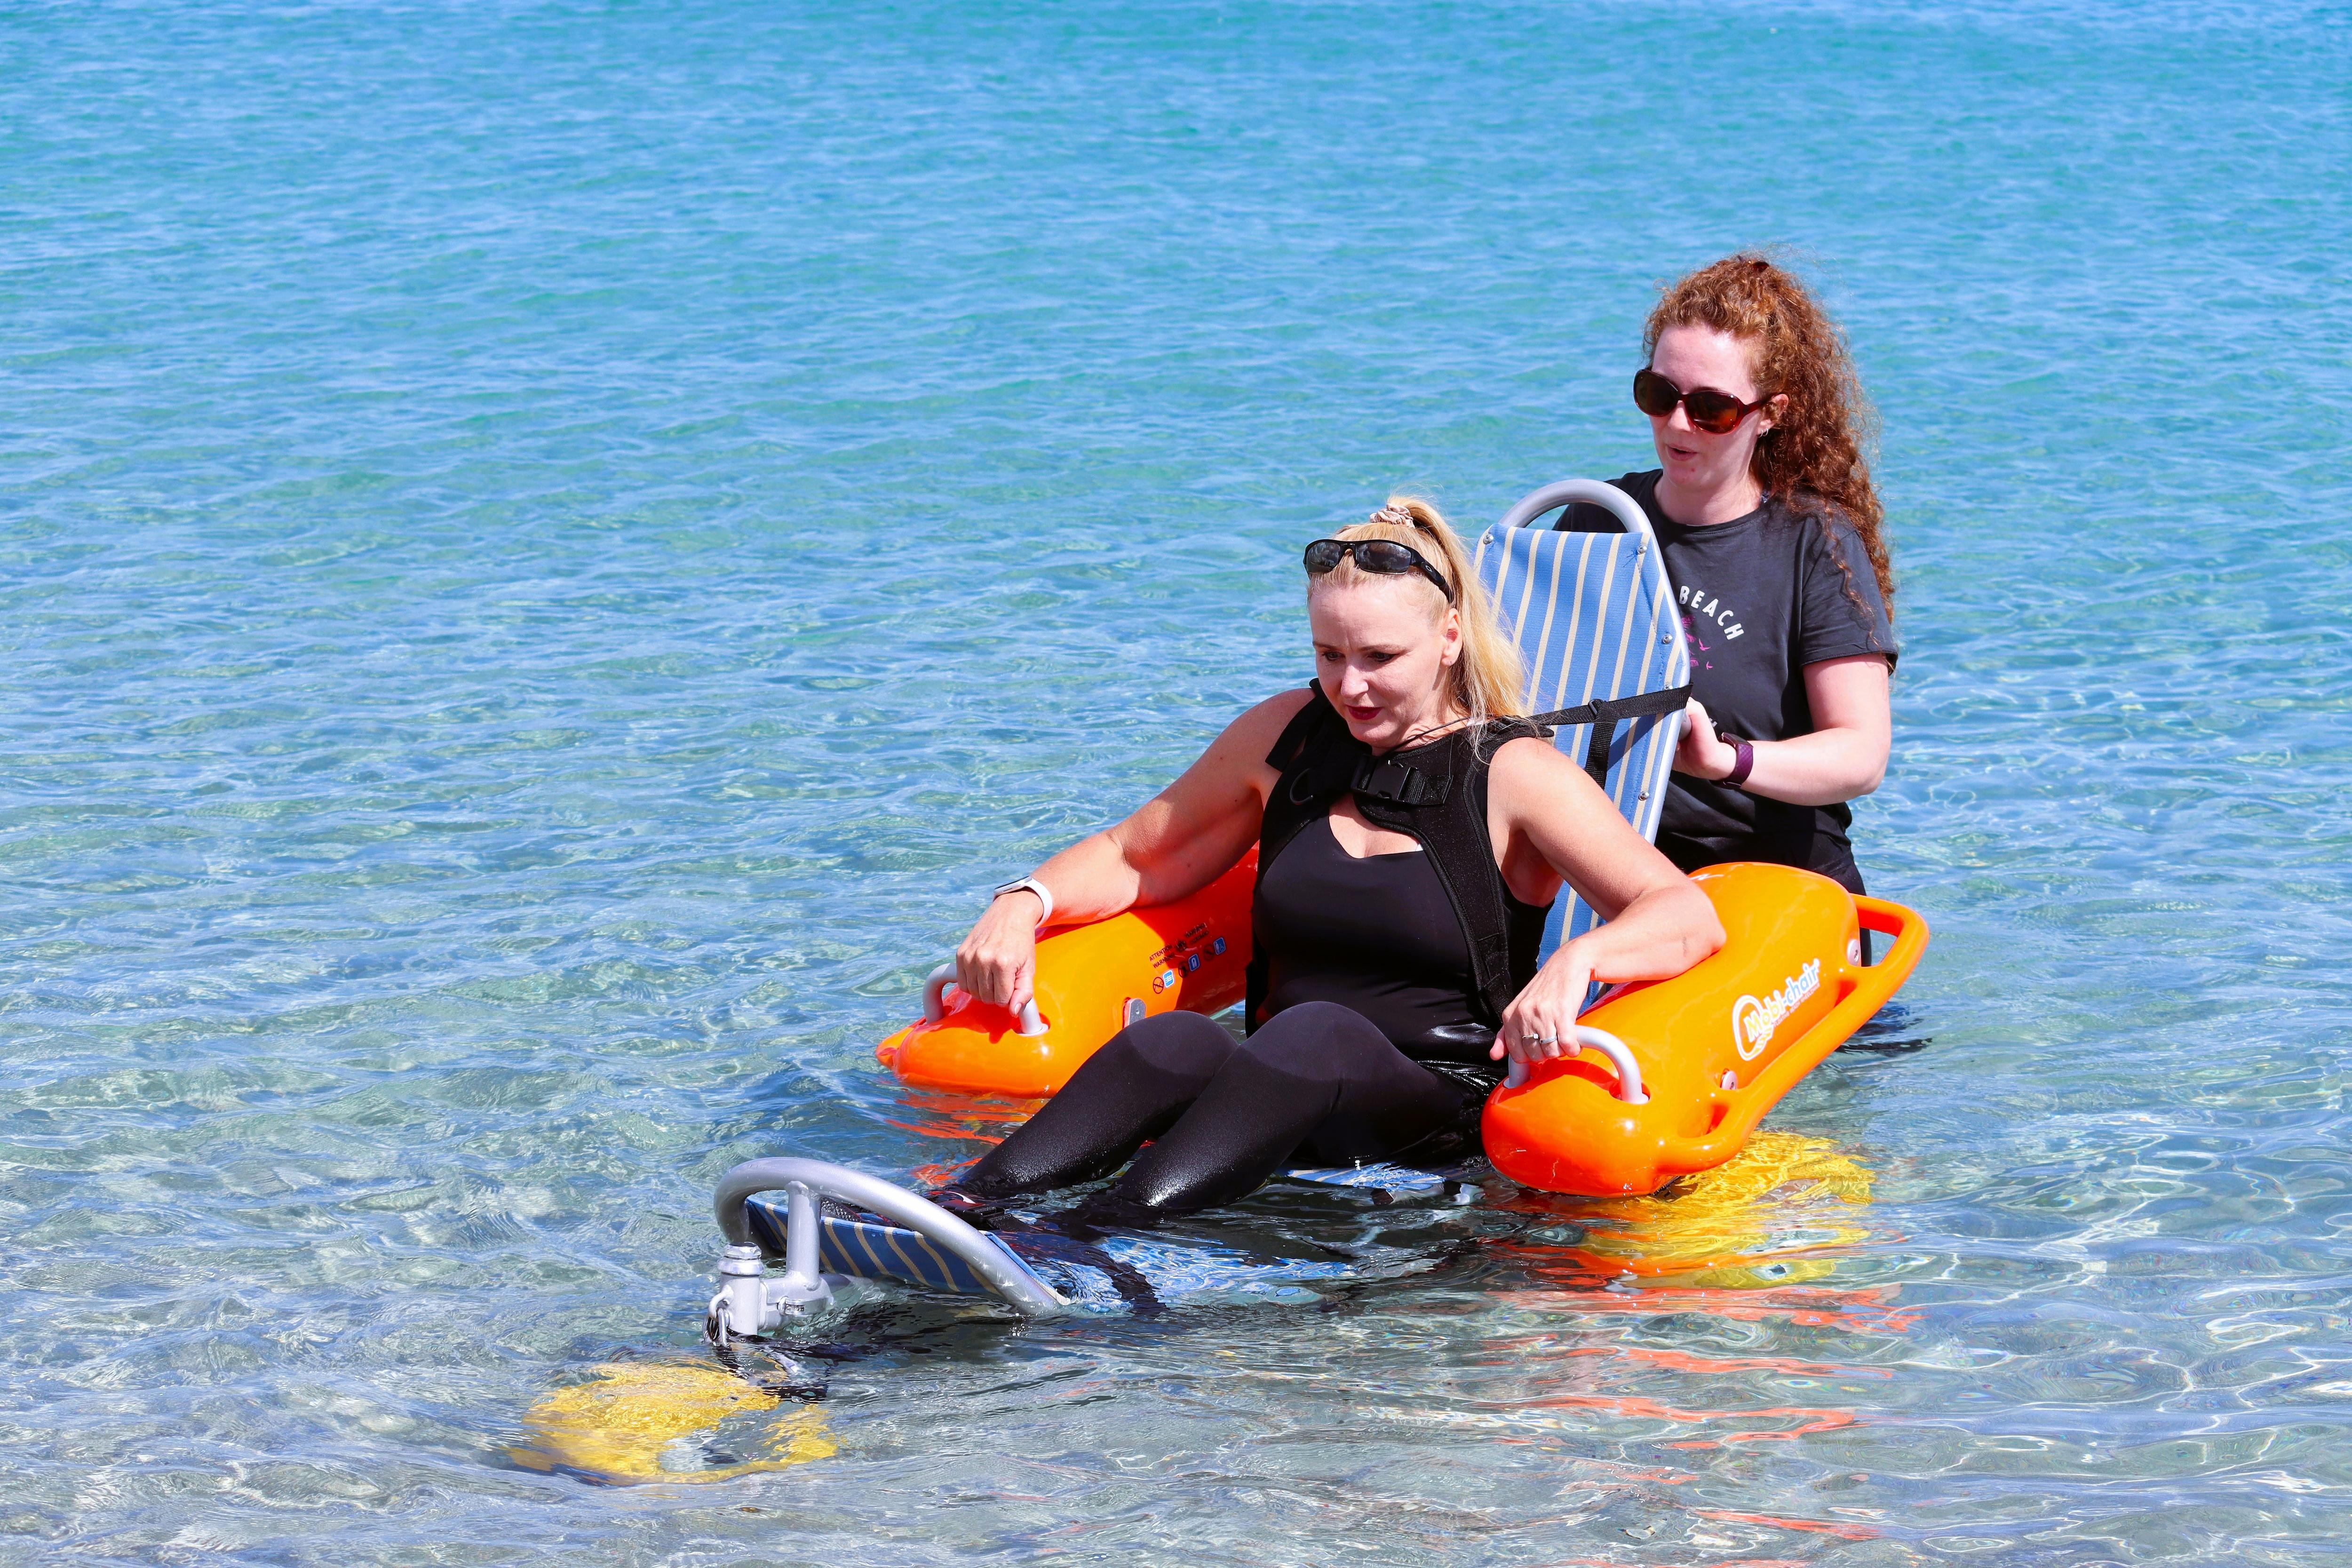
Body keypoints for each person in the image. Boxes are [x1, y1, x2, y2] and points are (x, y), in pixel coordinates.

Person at [935, 497, 1724, 1227]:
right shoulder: (1288, 738)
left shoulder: (1516, 774)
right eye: (1329, 653)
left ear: (1450, 636)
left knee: (1314, 1033)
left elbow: (1685, 913)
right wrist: (1025, 900)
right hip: (1274, 1093)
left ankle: (1088, 1234)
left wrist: (1580, 959)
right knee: (1179, 1041)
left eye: (1381, 656)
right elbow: (1137, 852)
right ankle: (961, 1206)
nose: (1351, 685)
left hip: (1434, 1106)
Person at [1554, 255, 1898, 896]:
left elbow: (1861, 753)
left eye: (1711, 407)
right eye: (1659, 396)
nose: (1678, 423)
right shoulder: (1596, 521)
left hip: (1776, 877)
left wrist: (1728, 761)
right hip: (1620, 870)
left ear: (1770, 413)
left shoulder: (1813, 542)